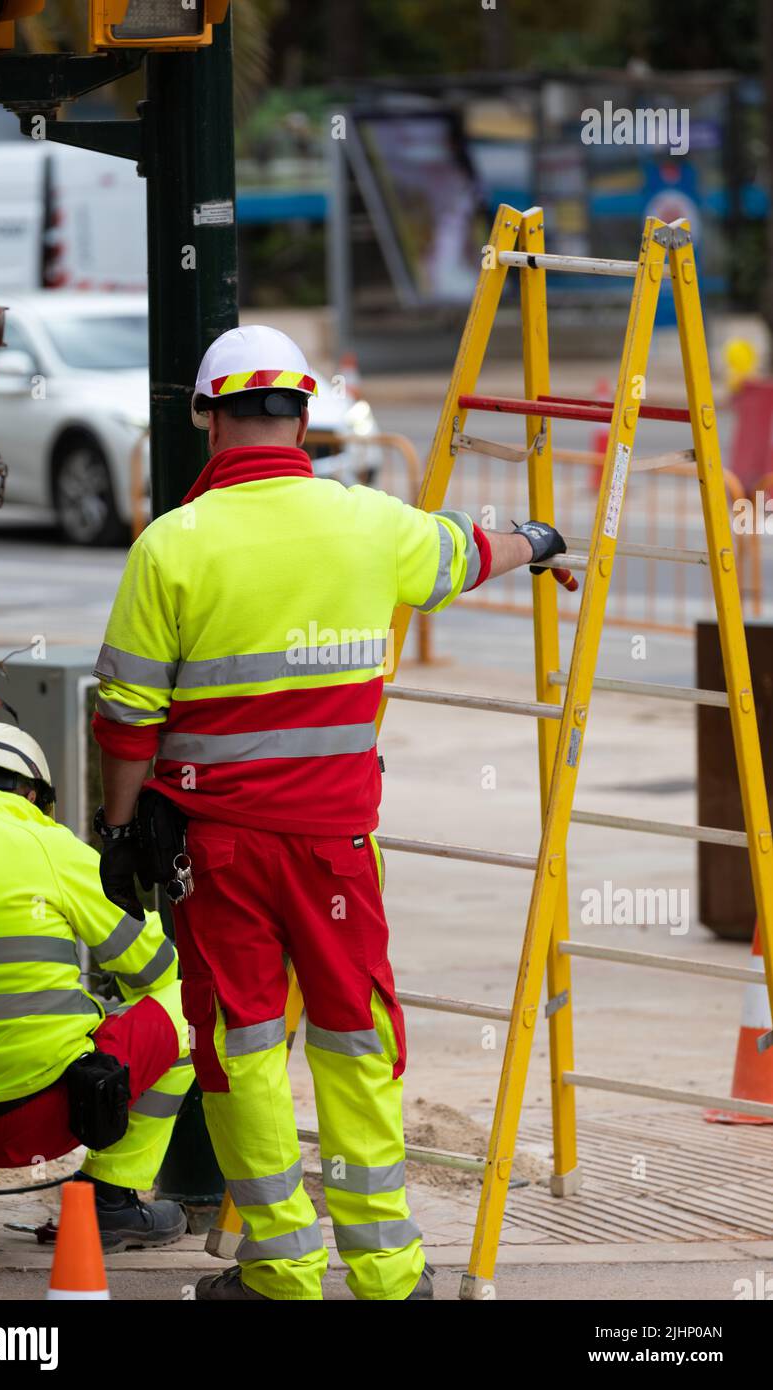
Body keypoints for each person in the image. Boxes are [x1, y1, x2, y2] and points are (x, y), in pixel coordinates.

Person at [92, 324, 567, 1300]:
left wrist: (118, 828)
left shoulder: (168, 547)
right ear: (302, 416)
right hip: (338, 850)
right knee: (357, 1037)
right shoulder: (370, 523)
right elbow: (468, 551)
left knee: (244, 1045)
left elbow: (125, 718)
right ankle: (389, 1269)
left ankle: (282, 1269)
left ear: (206, 417)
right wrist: (540, 542)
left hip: (214, 854)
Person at [0, 723, 191, 1255]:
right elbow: (156, 967)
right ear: (32, 794)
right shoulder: (47, 844)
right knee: (189, 1007)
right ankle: (110, 1197)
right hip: (41, 1120)